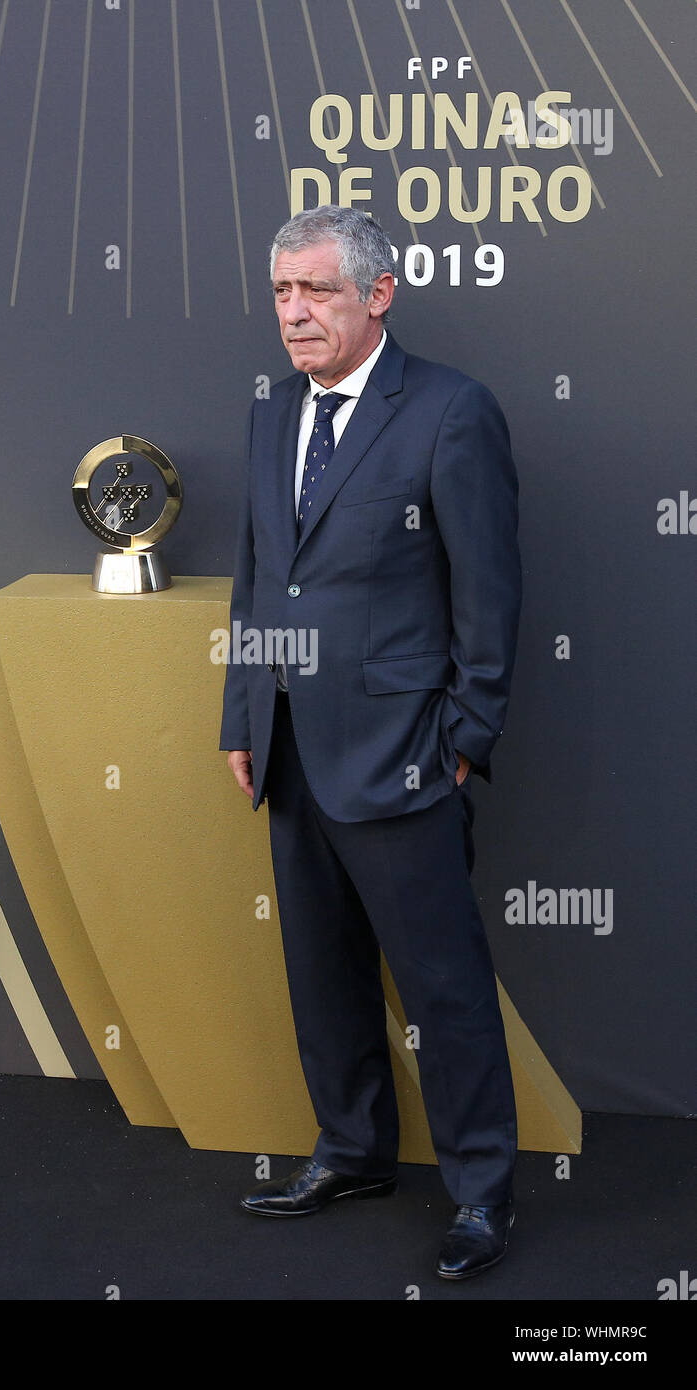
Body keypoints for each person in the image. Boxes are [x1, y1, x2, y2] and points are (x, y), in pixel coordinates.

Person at [218, 204, 521, 1280]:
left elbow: (487, 594)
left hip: (405, 750)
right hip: (290, 746)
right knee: (321, 971)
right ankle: (350, 1151)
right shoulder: (269, 417)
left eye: (317, 292)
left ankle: (482, 1191)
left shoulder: (447, 412)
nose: (294, 315)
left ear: (376, 294)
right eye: (282, 294)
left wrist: (465, 737)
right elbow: (261, 582)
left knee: (443, 985)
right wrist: (240, 712)